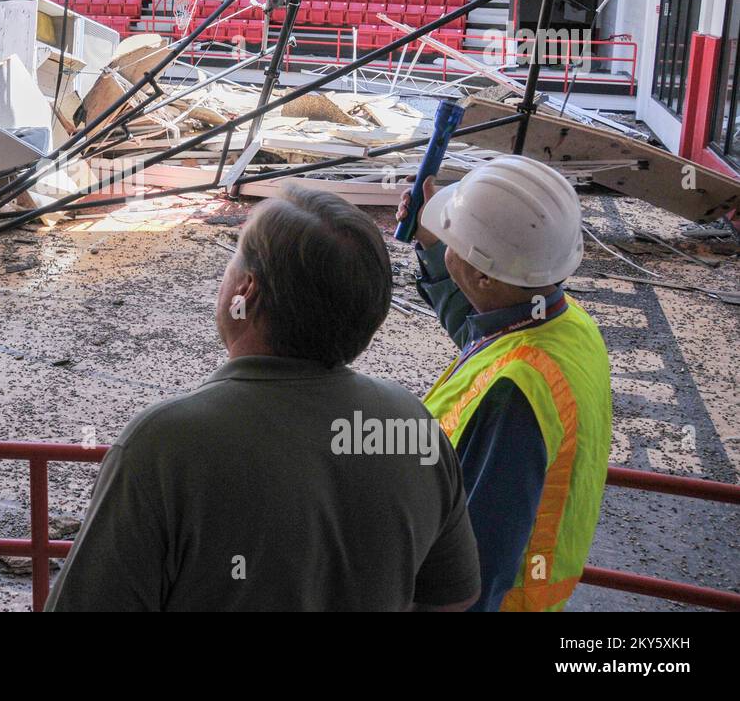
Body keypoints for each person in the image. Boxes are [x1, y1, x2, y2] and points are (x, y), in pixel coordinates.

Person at [46, 186, 481, 611]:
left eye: (232, 259)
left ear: (246, 292)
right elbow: (453, 595)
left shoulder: (164, 444)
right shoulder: (410, 425)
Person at [398, 154, 612, 611]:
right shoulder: (565, 323)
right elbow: (487, 335)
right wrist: (437, 249)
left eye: (457, 243)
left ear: (480, 275)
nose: (449, 247)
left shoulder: (514, 396)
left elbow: (478, 568)